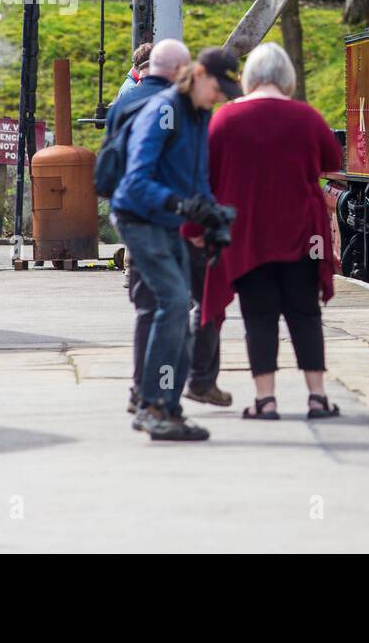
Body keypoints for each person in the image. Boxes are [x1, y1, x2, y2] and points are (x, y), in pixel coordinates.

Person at [197, 42, 344, 420]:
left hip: (247, 236)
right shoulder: (307, 117)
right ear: (287, 77)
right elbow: (331, 162)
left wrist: (195, 229)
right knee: (305, 314)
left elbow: (206, 179)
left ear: (250, 77)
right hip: (301, 234)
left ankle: (266, 399)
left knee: (258, 316)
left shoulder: (224, 120)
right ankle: (317, 396)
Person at [111, 46, 243, 441]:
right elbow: (135, 182)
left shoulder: (199, 115)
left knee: (181, 308)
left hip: (169, 222)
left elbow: (198, 178)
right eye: (217, 87)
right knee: (171, 303)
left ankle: (167, 406)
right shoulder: (163, 110)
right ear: (197, 74)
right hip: (138, 218)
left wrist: (209, 218)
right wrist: (178, 204)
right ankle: (151, 404)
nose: (219, 96)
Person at [105, 38, 191, 416]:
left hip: (129, 215)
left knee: (146, 307)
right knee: (174, 306)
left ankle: (141, 389)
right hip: (161, 219)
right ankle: (158, 398)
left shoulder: (122, 102)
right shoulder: (173, 107)